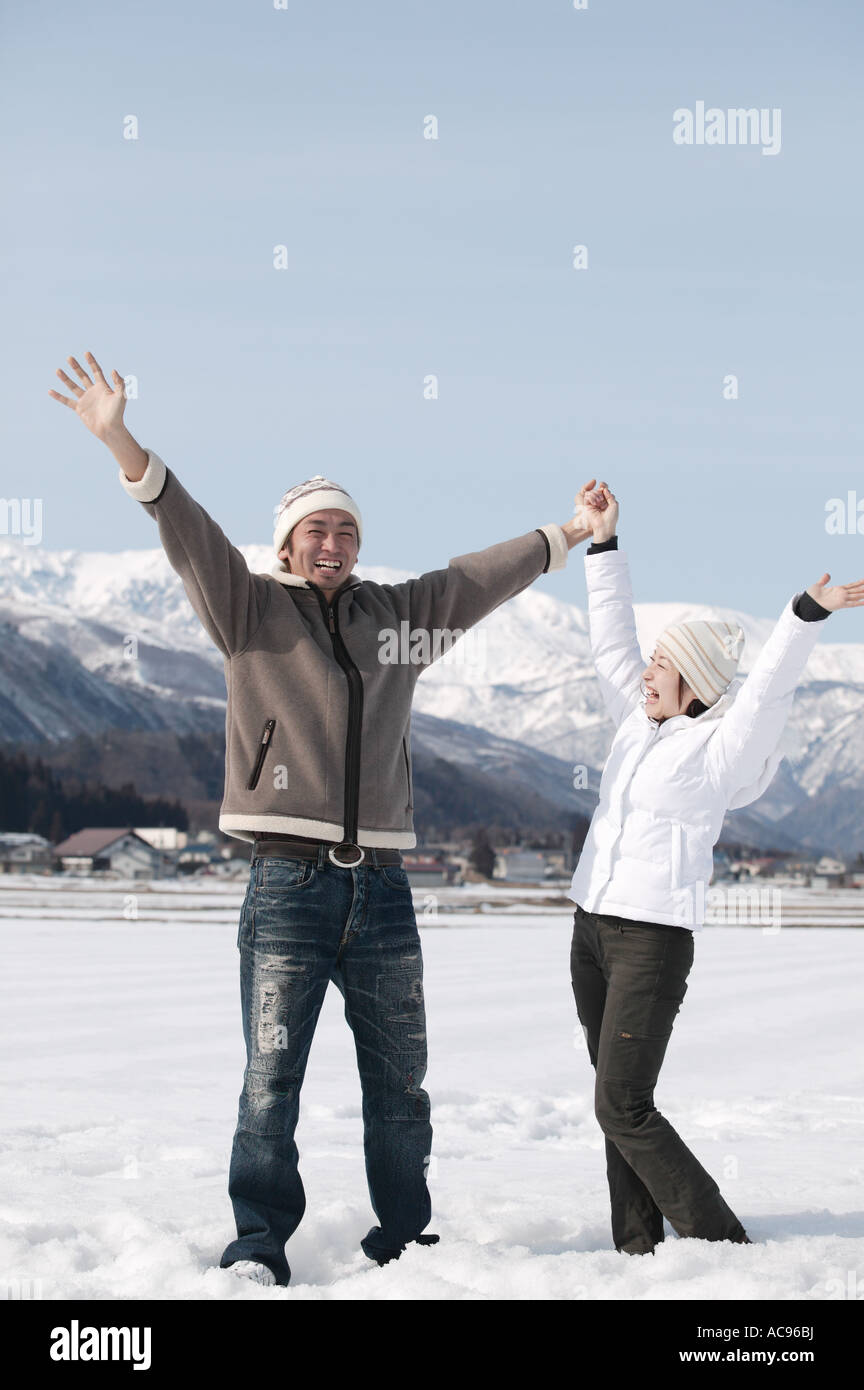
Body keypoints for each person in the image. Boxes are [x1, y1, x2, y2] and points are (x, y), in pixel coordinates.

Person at [48, 350, 596, 1287]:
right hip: (287, 884)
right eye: (316, 528)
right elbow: (188, 532)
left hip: (382, 890)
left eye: (346, 528)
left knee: (401, 1084)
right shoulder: (248, 611)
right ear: (287, 545)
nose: (333, 540)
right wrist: (121, 441)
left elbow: (476, 578)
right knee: (271, 1079)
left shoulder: (400, 621)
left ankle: (405, 1241)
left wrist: (571, 531)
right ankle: (259, 1244)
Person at [568, 480, 864, 1255]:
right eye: (653, 659)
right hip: (591, 929)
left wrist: (804, 616)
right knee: (612, 1102)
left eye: (664, 663)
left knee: (623, 1103)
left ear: (697, 684)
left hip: (651, 940)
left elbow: (765, 692)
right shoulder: (635, 724)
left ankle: (722, 1245)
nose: (646, 671)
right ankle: (638, 1248)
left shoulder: (718, 751)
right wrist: (603, 543)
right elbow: (610, 644)